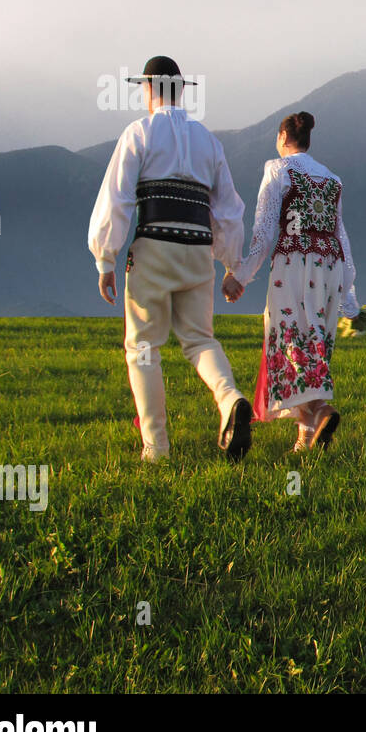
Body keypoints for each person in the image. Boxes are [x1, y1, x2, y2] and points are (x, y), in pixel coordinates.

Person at [88, 55, 254, 462]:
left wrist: (106, 259)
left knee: (143, 346)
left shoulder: (139, 133)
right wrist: (231, 263)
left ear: (148, 89)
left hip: (154, 247)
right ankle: (230, 398)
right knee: (200, 339)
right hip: (198, 251)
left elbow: (118, 199)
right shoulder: (209, 142)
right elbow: (229, 209)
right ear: (181, 91)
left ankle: (156, 448)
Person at [225, 111, 359, 451]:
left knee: (289, 340)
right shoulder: (332, 180)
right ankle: (305, 437)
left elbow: (265, 230)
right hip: (328, 265)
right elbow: (342, 237)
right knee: (315, 339)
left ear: (283, 137)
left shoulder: (278, 170)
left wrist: (240, 275)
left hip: (293, 263)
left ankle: (321, 409)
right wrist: (349, 298)